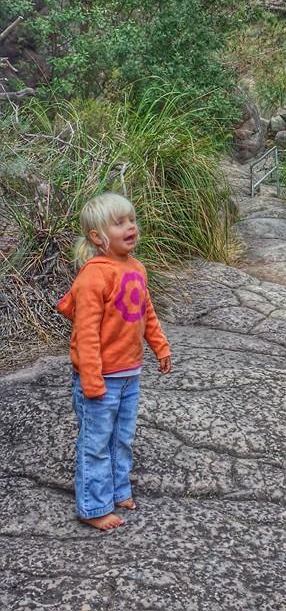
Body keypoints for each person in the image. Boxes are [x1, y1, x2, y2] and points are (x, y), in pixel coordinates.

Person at [57, 191, 172, 530]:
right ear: (97, 237)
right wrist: (91, 378)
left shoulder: (136, 268)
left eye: (131, 220)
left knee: (121, 438)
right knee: (95, 443)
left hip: (129, 375)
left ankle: (119, 489)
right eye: (119, 222)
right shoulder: (95, 275)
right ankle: (93, 507)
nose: (130, 226)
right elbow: (86, 332)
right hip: (101, 378)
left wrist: (160, 347)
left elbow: (146, 313)